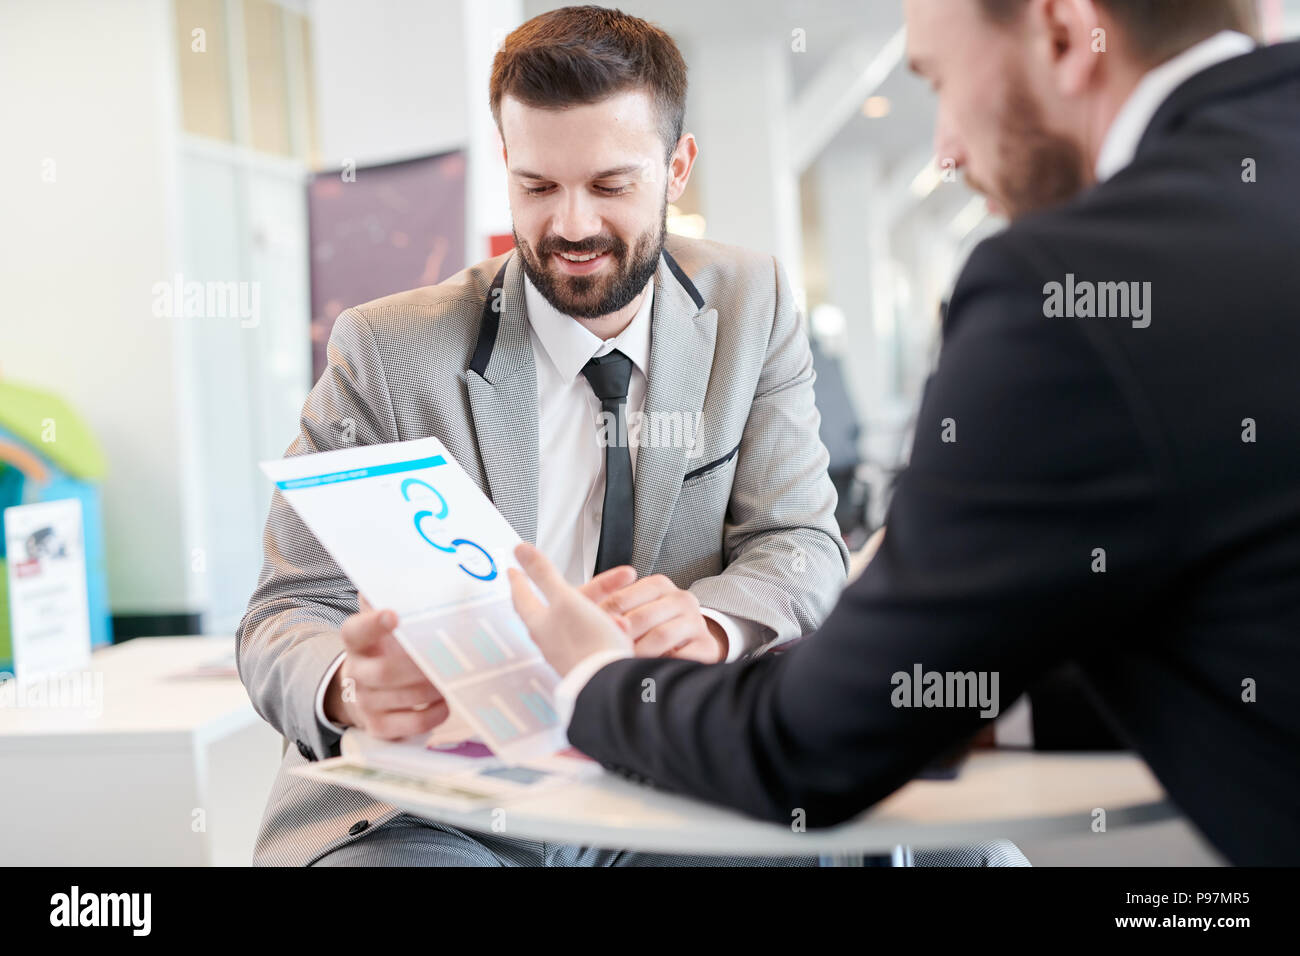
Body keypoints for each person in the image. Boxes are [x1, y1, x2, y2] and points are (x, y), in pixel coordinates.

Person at [507, 0, 1300, 866]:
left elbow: (807, 752)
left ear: (1067, 35)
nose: (946, 149)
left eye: (942, 83)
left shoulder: (1068, 284)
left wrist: (594, 679)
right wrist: (952, 635)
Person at [236, 5, 852, 867]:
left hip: (668, 764)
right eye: (537, 187)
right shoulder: (387, 348)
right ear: (507, 167)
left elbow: (799, 542)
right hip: (438, 801)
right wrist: (347, 688)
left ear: (677, 169)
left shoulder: (755, 306)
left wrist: (711, 627)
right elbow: (284, 611)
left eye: (609, 186)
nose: (569, 227)